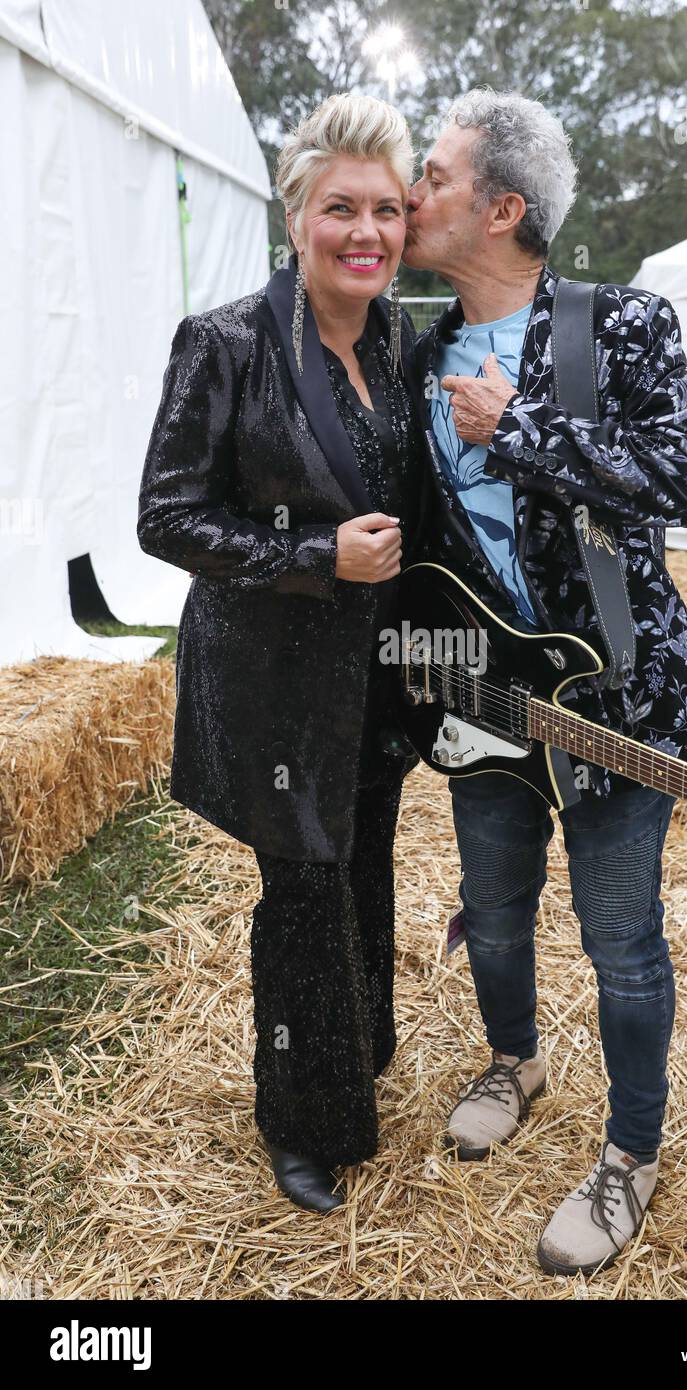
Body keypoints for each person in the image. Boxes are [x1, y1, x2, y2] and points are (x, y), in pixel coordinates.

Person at [402, 87, 687, 1275]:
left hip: (611, 697)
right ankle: (515, 1059)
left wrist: (525, 429)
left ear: (501, 208)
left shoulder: (619, 323)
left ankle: (630, 1154)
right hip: (477, 696)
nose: (410, 191)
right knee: (491, 912)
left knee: (621, 941)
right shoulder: (409, 344)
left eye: (432, 175)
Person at [137, 92, 429, 1214]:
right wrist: (314, 554)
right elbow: (166, 517)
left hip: (372, 680)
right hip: (267, 685)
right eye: (340, 208)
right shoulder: (223, 343)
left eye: (387, 212)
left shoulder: (401, 340)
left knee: (364, 865)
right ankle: (299, 1122)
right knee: (301, 894)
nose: (367, 233)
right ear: (295, 212)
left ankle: (354, 1060)